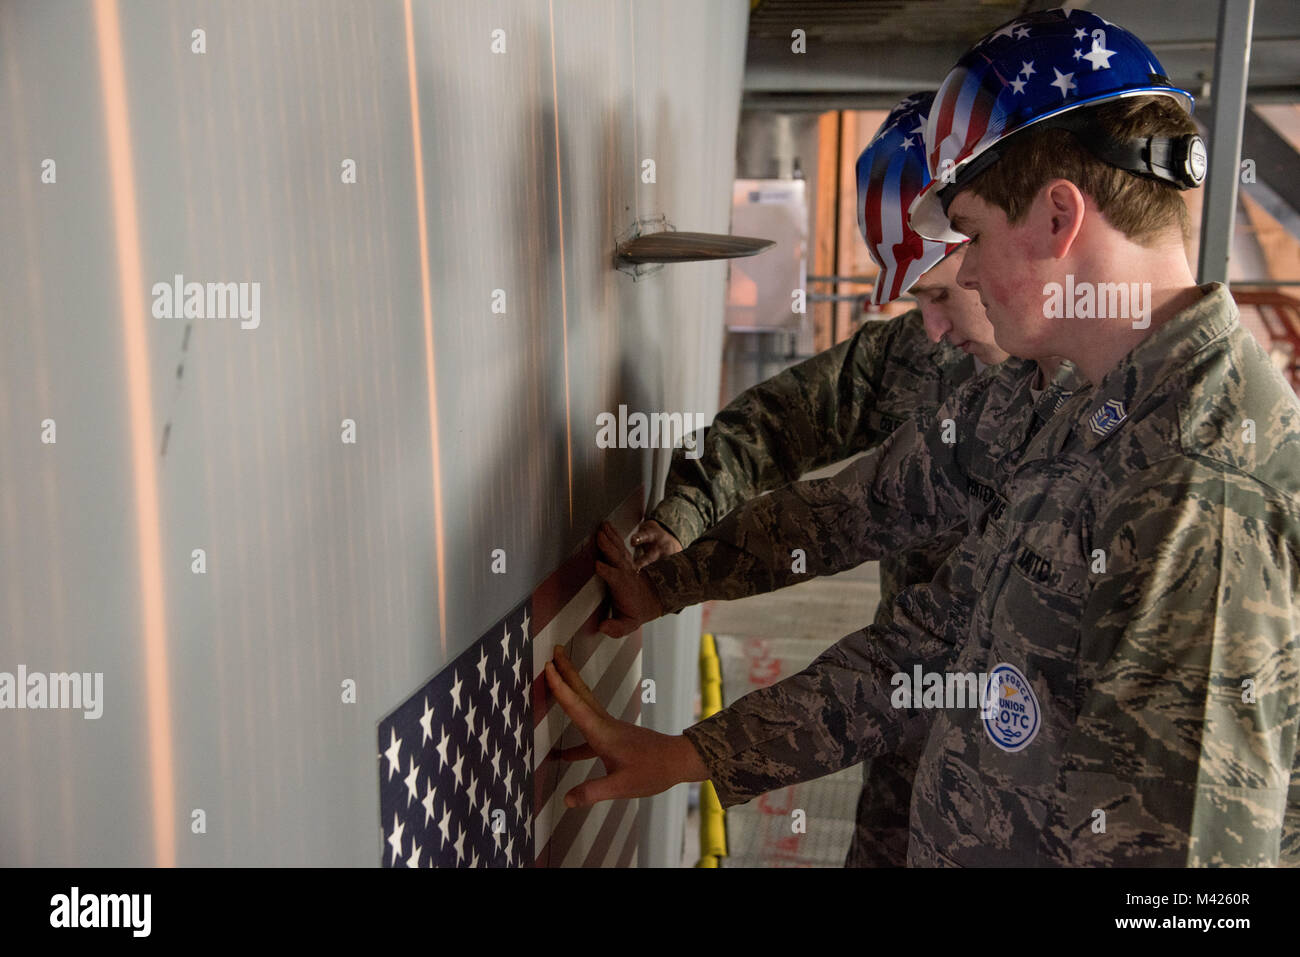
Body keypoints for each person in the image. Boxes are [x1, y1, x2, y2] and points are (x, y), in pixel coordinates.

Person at [548, 7, 1300, 865]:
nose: (967, 270)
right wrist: (693, 754)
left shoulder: (1202, 489)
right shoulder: (1081, 410)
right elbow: (935, 637)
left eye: (973, 234)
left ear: (1060, 219)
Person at [628, 91, 1013, 867]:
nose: (931, 326)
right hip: (907, 774)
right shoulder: (928, 356)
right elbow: (810, 462)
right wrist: (685, 526)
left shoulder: (1121, 437)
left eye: (939, 293)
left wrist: (691, 754)